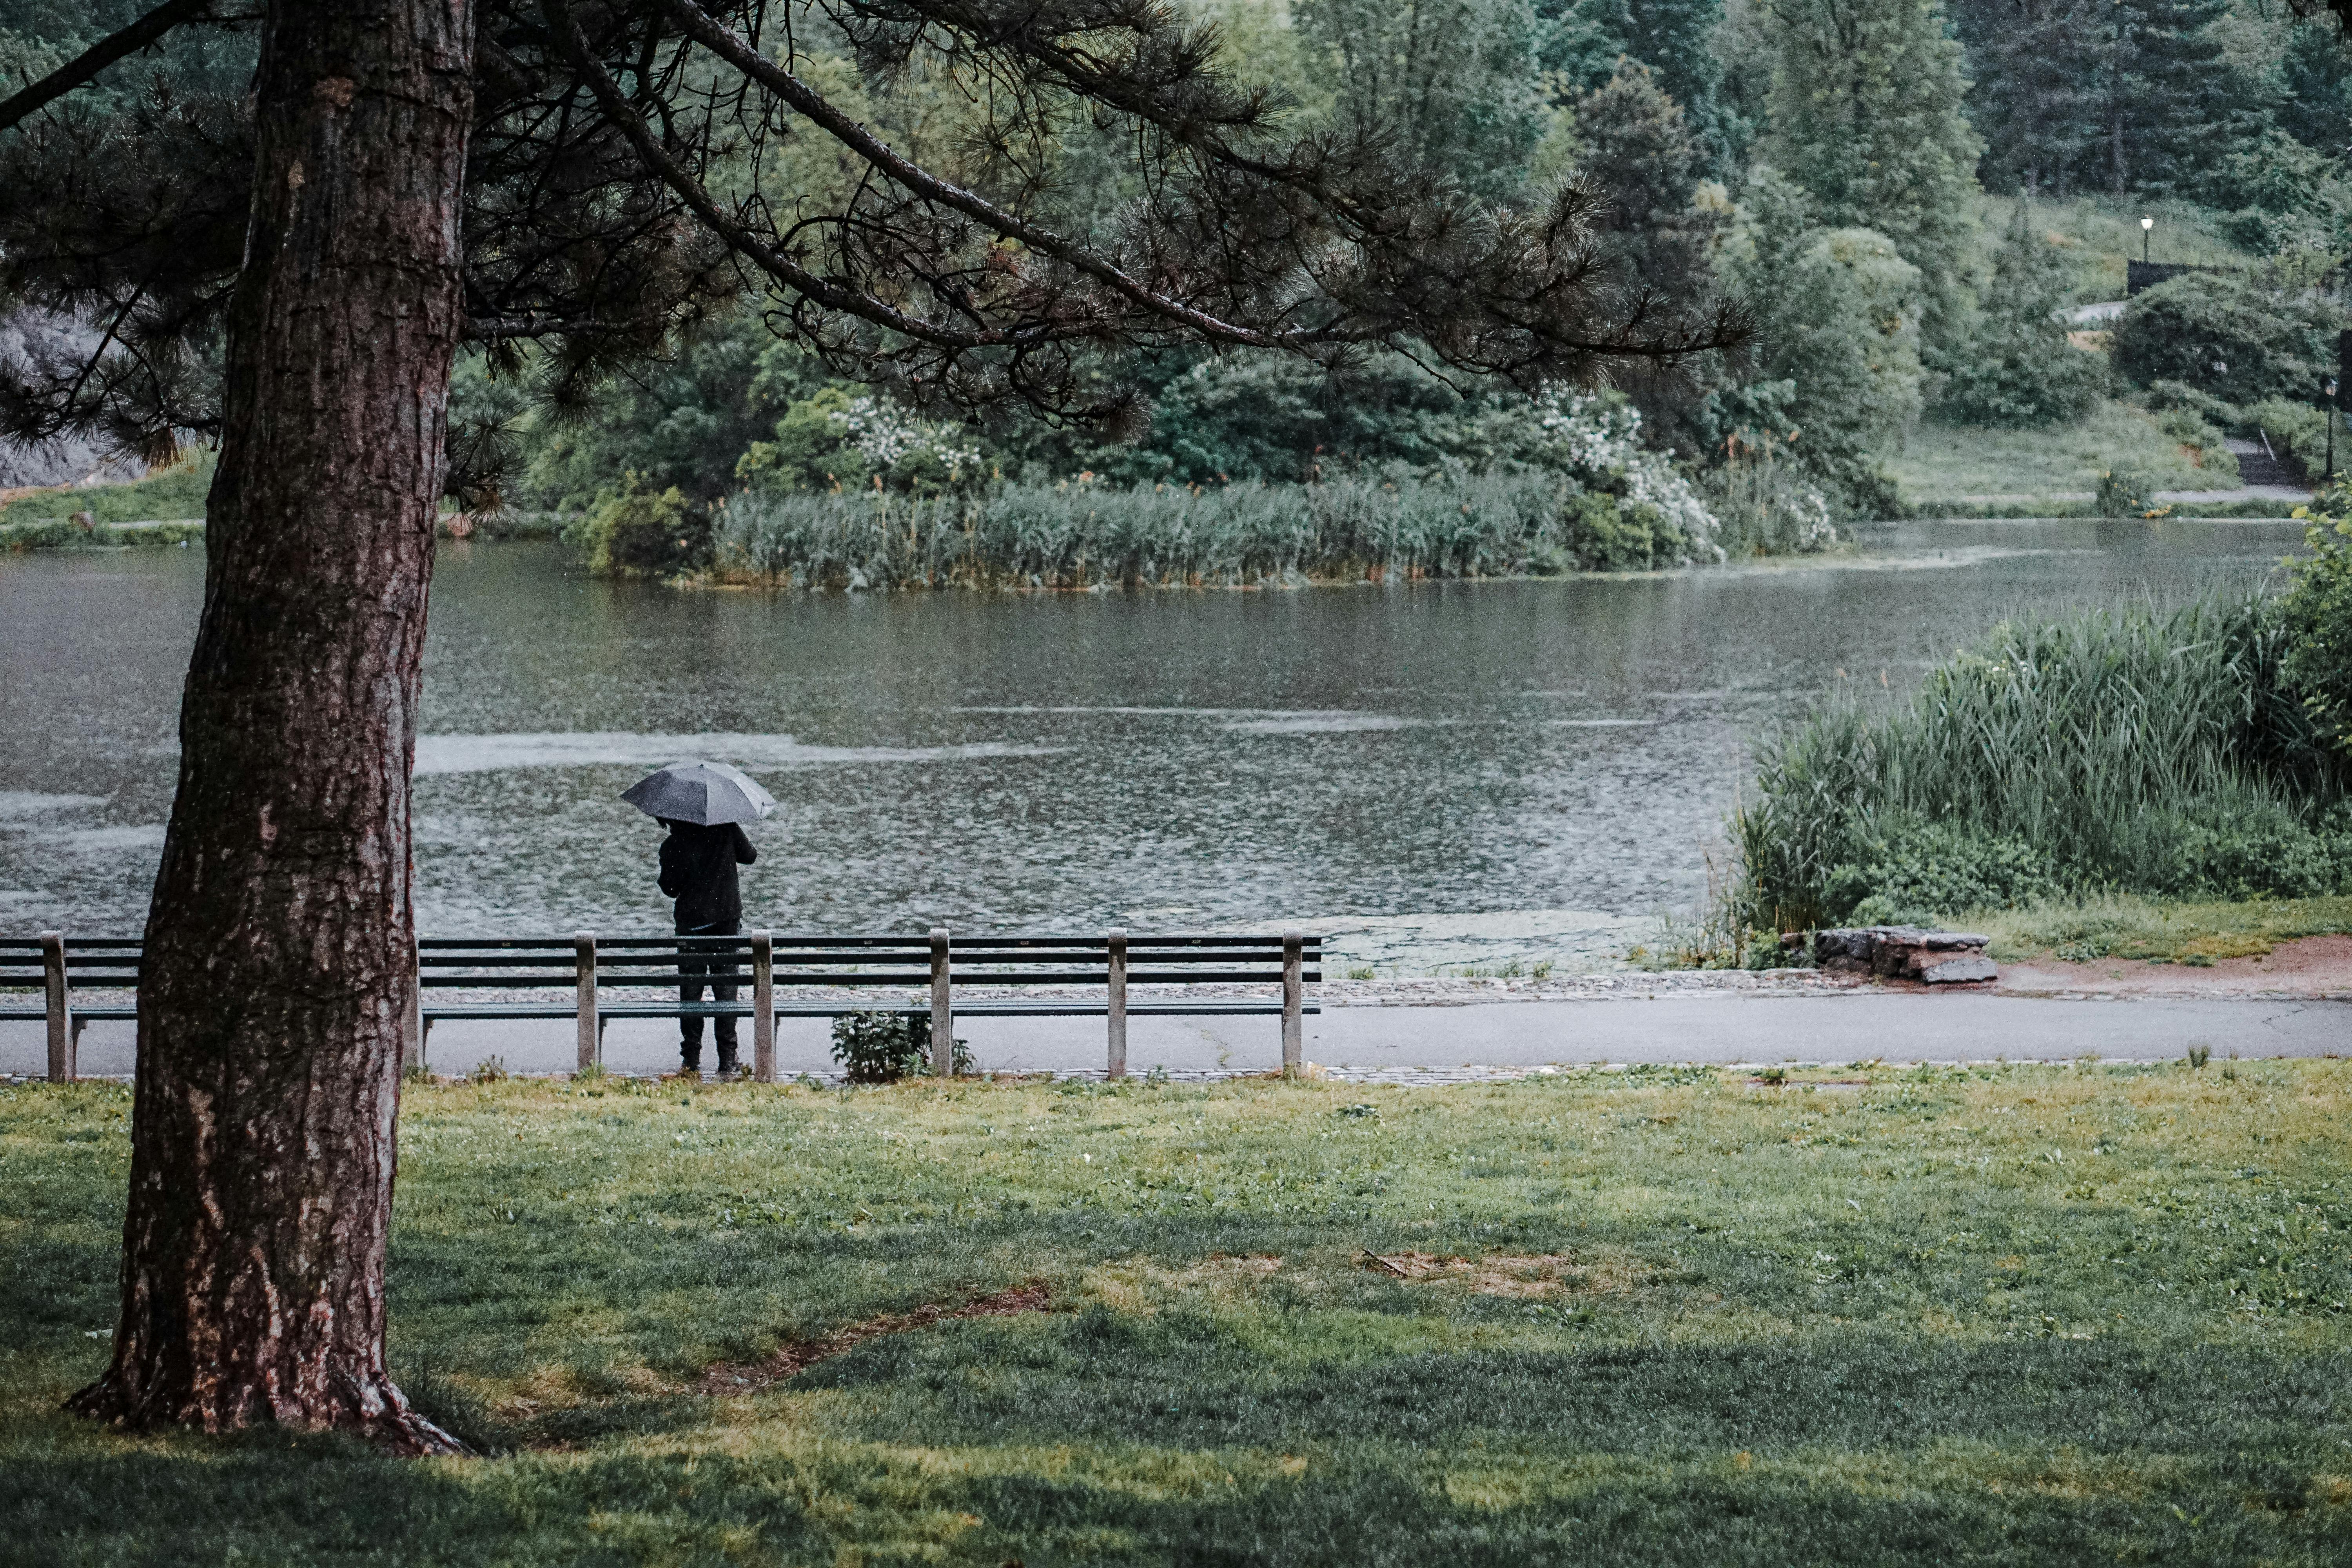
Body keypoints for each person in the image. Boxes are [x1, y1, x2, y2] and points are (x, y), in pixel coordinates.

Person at [657, 817, 757, 1076]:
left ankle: (691, 1059)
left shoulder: (673, 844)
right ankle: (727, 1058)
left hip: (692, 926)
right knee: (726, 990)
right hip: (726, 921)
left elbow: (670, 888)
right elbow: (750, 856)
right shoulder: (726, 829)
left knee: (691, 993)